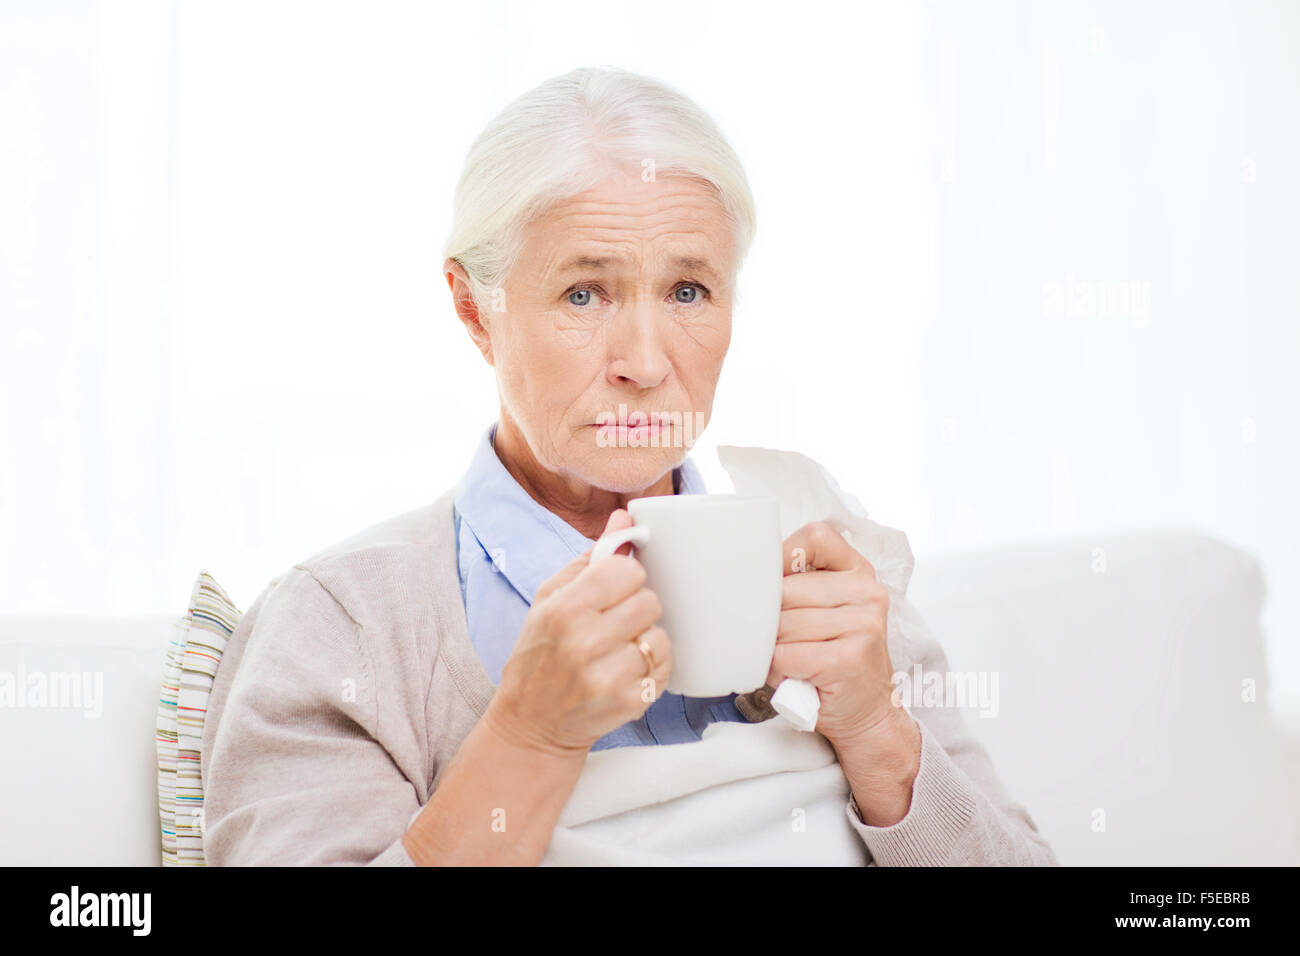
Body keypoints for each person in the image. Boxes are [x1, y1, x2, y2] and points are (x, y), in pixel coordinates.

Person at [201, 66, 1058, 866]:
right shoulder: (342, 627)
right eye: (585, 293)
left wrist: (876, 726)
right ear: (475, 312)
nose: (645, 362)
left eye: (688, 291)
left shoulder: (832, 571)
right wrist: (529, 738)